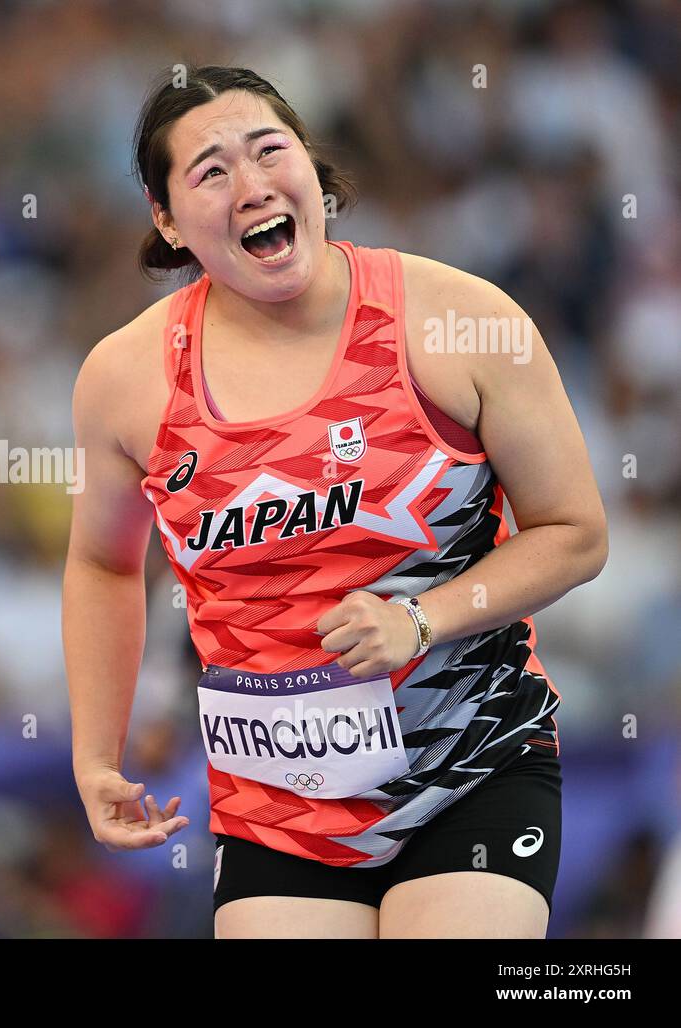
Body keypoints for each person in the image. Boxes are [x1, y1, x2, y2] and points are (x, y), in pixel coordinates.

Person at [62, 67, 608, 939]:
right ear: (166, 222)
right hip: (278, 807)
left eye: (269, 151)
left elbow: (575, 534)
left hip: (469, 768)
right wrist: (95, 752)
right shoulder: (123, 382)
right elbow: (100, 560)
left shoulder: (457, 323)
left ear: (312, 172)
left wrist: (423, 619)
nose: (251, 186)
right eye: (210, 171)